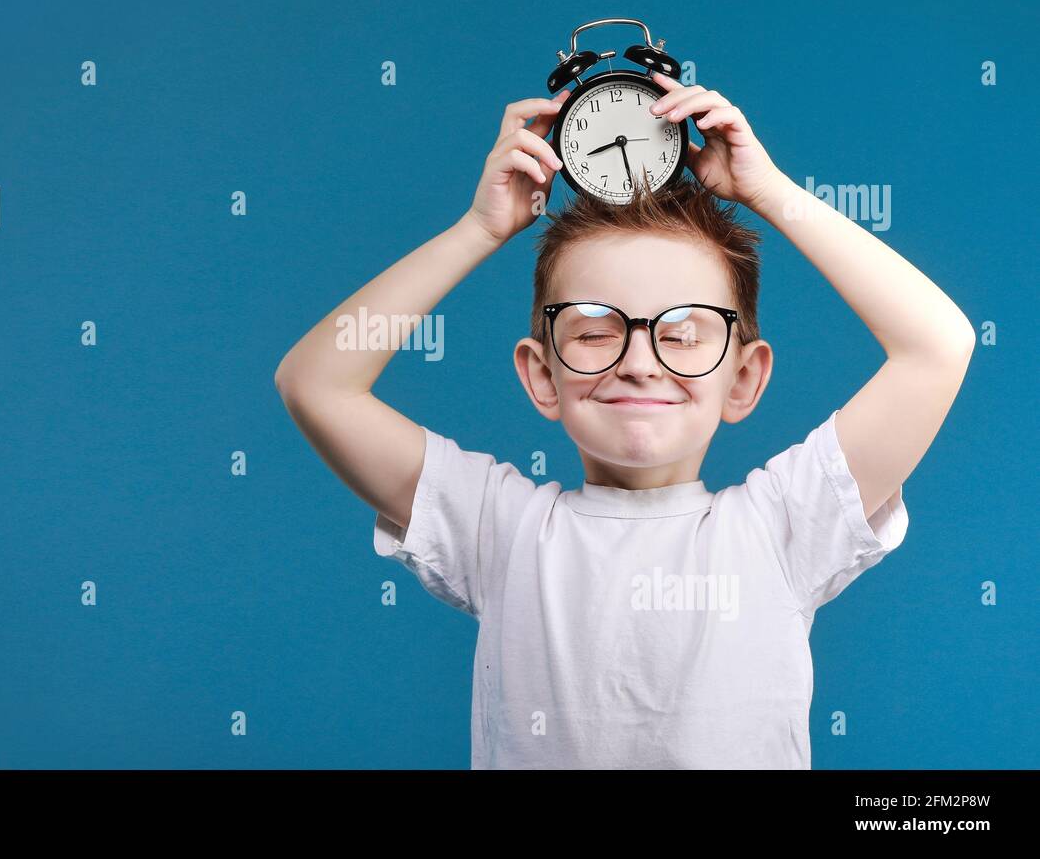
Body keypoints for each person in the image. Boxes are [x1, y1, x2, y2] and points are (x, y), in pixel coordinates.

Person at [273, 71, 975, 768]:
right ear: (541, 375)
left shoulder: (781, 528)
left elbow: (938, 348)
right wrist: (478, 230)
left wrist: (773, 195)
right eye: (593, 330)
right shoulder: (499, 530)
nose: (641, 361)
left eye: (686, 332)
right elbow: (316, 383)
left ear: (745, 378)